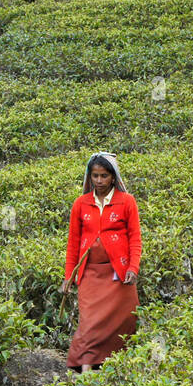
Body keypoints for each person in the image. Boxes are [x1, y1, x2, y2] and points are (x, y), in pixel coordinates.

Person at [61, 152, 142, 372]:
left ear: (113, 177)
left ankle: (115, 367)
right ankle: (86, 369)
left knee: (122, 321)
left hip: (118, 273)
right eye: (95, 176)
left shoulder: (127, 202)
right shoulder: (80, 204)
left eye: (104, 176)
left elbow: (135, 238)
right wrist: (69, 276)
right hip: (90, 274)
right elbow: (73, 244)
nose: (99, 181)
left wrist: (133, 268)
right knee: (89, 322)